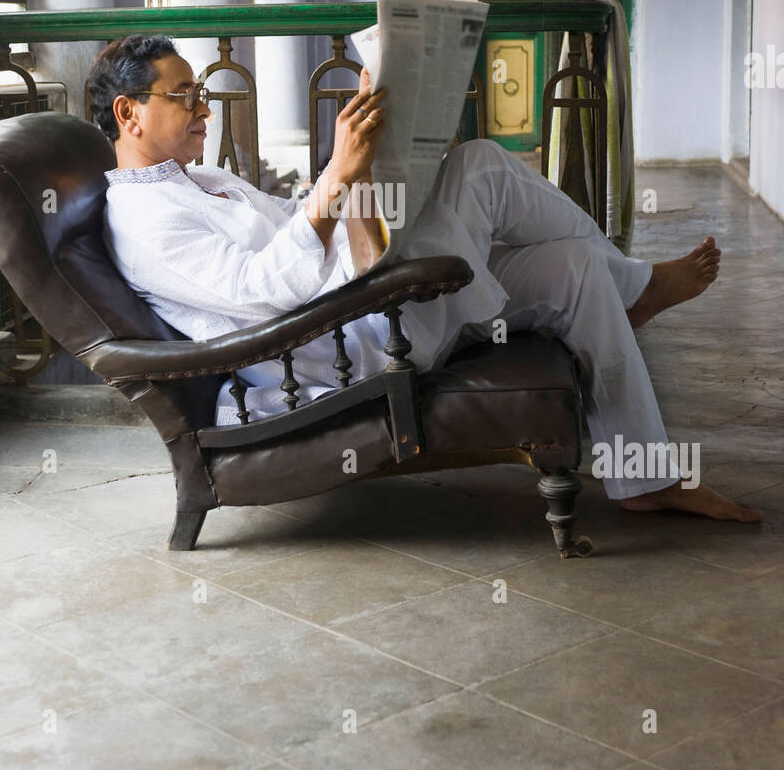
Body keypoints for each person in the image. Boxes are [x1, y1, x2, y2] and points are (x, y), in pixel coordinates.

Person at [87, 34, 761, 523]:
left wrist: (353, 175)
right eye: (185, 97)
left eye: (201, 93)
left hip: (356, 290)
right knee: (479, 167)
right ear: (129, 113)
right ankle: (635, 287)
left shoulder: (201, 178)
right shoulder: (142, 220)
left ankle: (643, 479)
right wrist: (343, 180)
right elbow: (263, 291)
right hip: (350, 339)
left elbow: (297, 221)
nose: (203, 108)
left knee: (577, 271)